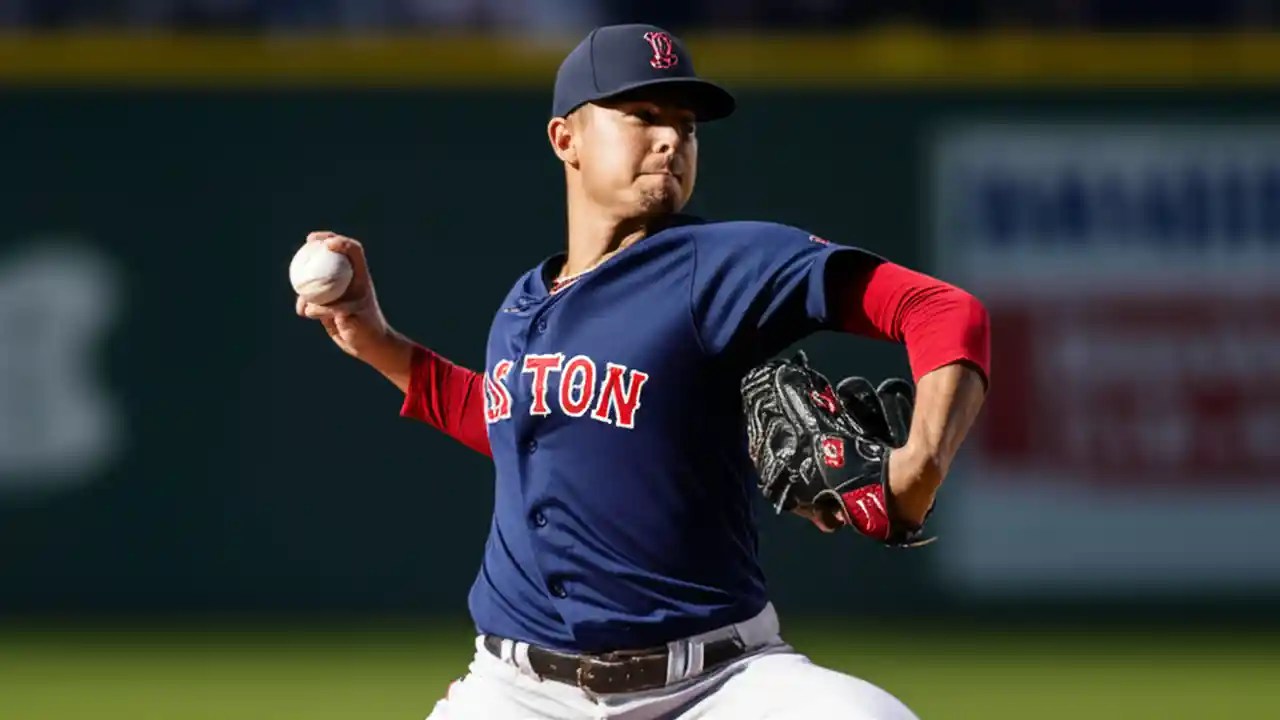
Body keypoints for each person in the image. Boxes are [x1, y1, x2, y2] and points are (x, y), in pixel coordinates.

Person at [295, 23, 989, 720]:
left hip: (717, 682)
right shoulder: (524, 302)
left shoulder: (720, 263)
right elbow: (522, 430)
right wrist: (378, 340)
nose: (671, 141)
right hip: (517, 690)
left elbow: (938, 308)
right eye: (643, 117)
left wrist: (921, 461)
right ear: (565, 139)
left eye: (685, 126)